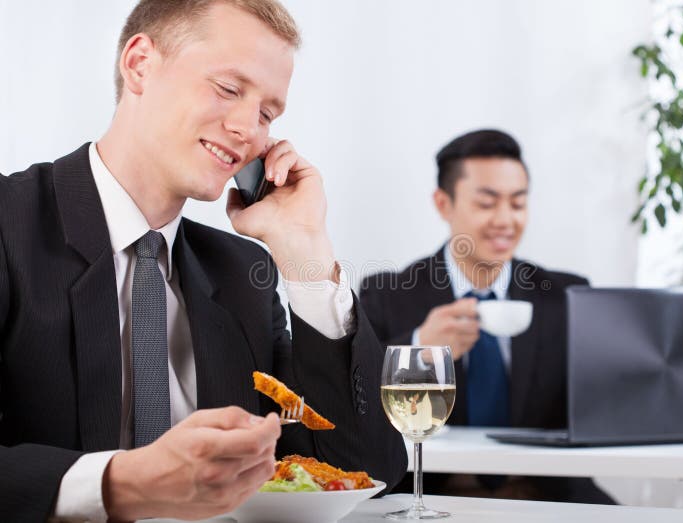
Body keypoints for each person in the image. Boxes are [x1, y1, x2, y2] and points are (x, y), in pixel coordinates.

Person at [0, 1, 406, 521]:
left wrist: (307, 256)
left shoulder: (239, 276)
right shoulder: (10, 226)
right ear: (141, 63)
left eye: (267, 113)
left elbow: (365, 468)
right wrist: (127, 483)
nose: (247, 129)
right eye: (229, 89)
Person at [359, 129, 615, 504]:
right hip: (430, 494)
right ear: (443, 204)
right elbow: (352, 404)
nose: (505, 220)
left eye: (517, 203)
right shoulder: (387, 293)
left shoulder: (565, 295)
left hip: (546, 494)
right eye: (486, 203)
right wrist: (420, 350)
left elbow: (602, 399)